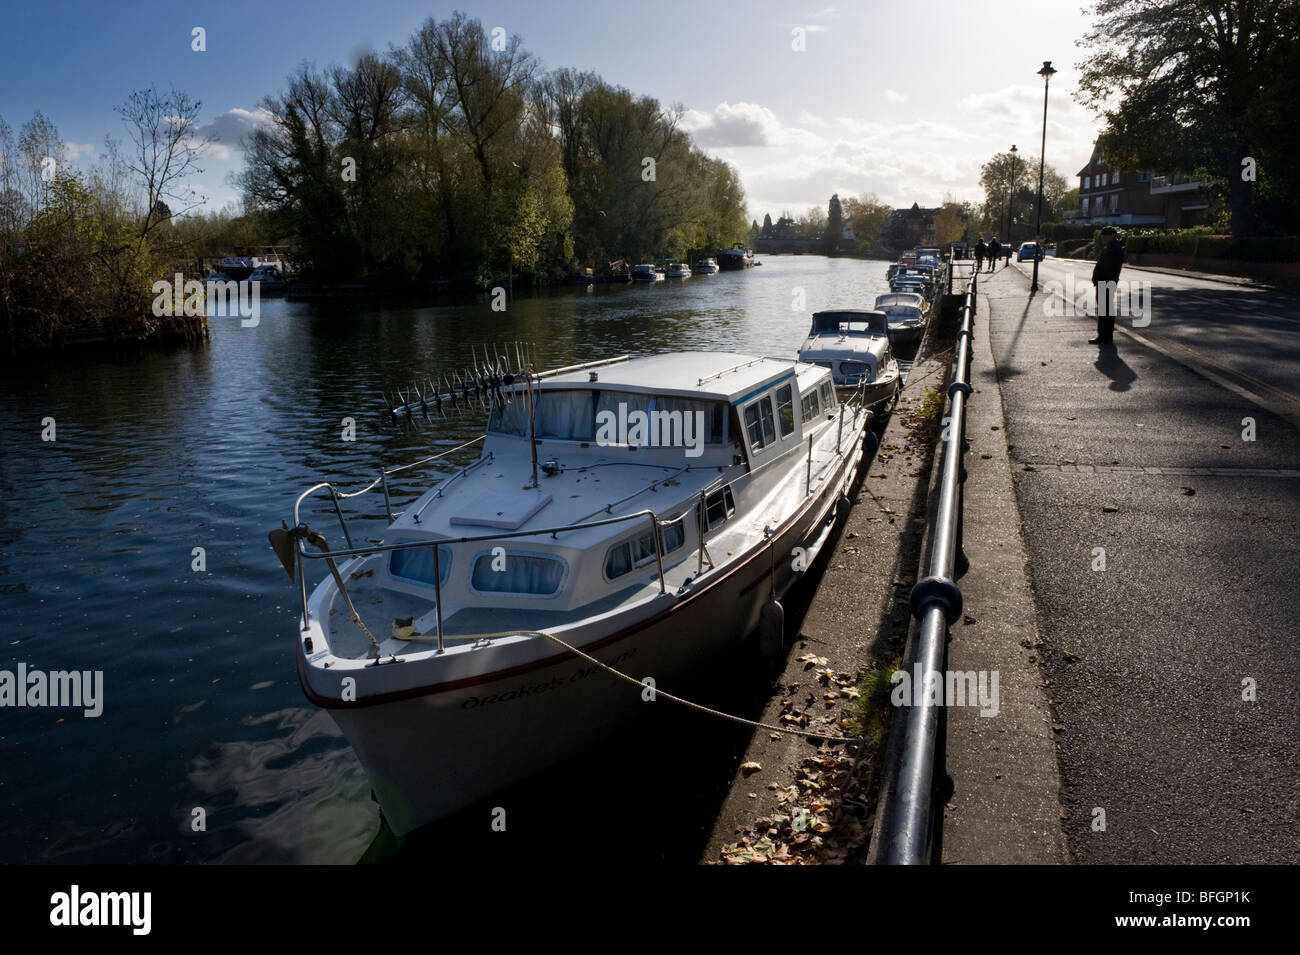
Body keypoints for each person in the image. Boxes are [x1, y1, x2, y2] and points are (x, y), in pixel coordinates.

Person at [1090, 227, 1125, 345]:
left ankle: (1104, 336)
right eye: (1102, 235)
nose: (1103, 237)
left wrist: (1100, 278)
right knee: (1106, 310)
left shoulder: (1113, 248)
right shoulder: (1112, 247)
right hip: (1107, 281)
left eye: (1105, 235)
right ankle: (1105, 336)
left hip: (1106, 282)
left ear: (1111, 236)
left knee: (1105, 311)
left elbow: (1108, 267)